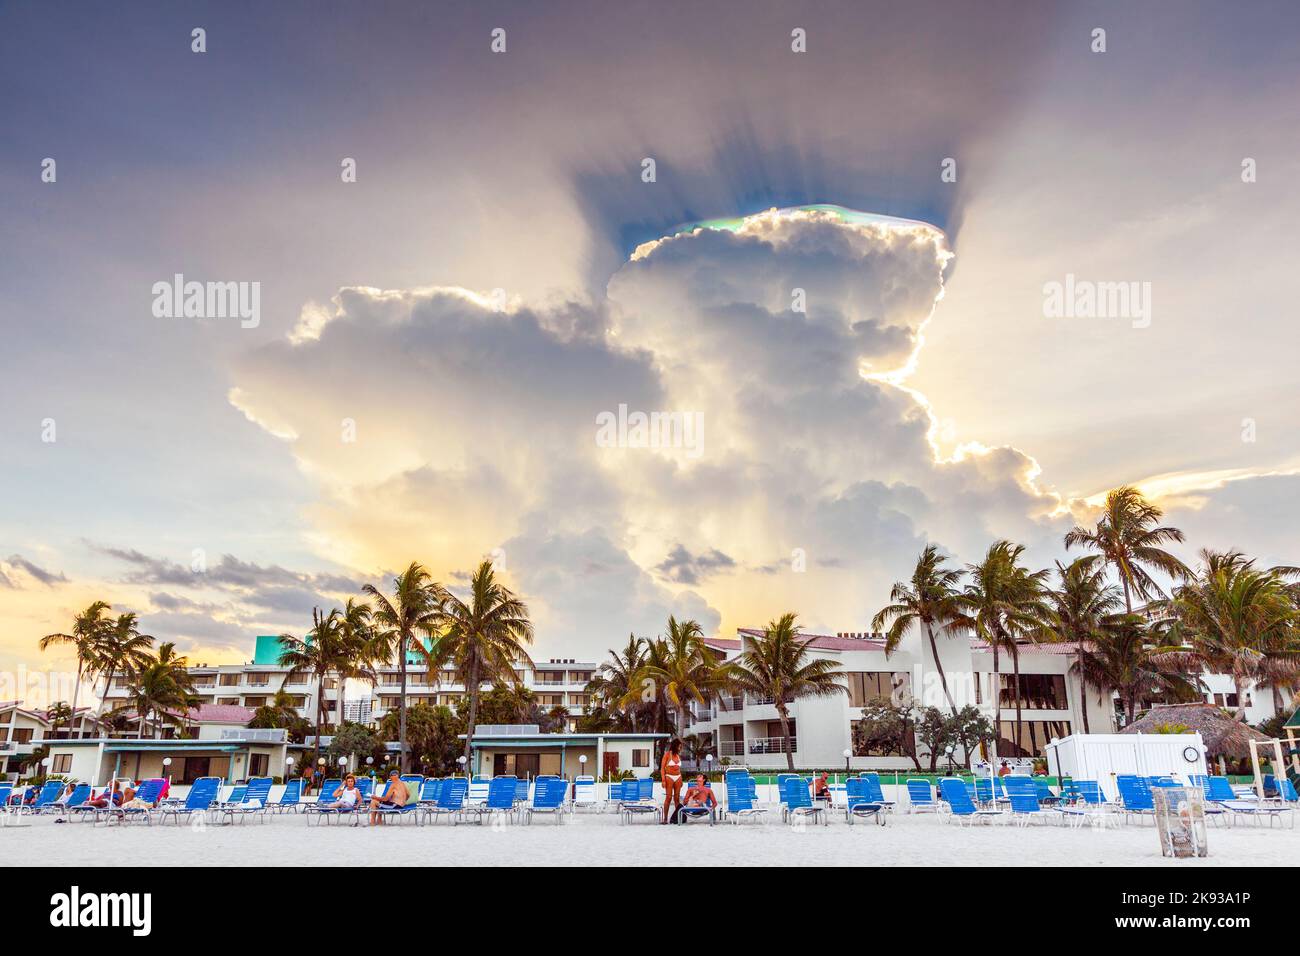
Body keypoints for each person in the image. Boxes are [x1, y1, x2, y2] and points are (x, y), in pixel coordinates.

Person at [660, 738, 684, 824]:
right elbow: (662, 768)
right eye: (679, 746)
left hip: (678, 777)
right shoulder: (667, 754)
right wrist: (663, 780)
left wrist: (681, 780)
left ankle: (677, 817)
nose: (680, 748)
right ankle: (665, 818)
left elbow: (678, 769)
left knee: (677, 799)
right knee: (668, 797)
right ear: (675, 746)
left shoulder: (678, 756)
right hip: (669, 777)